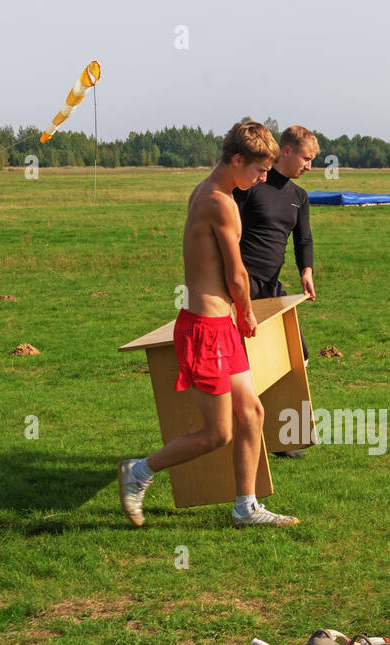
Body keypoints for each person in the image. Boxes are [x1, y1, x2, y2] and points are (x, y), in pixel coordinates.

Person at [119, 121, 300, 528]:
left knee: (251, 412)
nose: (264, 177)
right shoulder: (220, 202)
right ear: (237, 159)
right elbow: (236, 275)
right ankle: (139, 471)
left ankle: (245, 507)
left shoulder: (207, 190)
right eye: (258, 169)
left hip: (221, 327)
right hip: (206, 329)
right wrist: (248, 309)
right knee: (218, 432)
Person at [234, 125, 319, 457]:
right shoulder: (254, 185)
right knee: (251, 364)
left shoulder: (299, 197)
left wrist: (306, 271)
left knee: (299, 355)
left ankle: (283, 436)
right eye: (306, 158)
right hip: (243, 284)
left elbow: (303, 239)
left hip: (273, 287)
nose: (309, 166)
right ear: (286, 151)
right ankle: (251, 435)